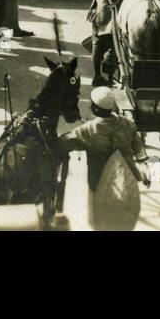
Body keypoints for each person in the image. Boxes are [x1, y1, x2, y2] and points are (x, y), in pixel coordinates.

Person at [58, 85, 145, 231]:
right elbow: (139, 148)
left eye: (92, 104)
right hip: (126, 181)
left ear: (96, 109)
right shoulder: (128, 124)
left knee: (98, 223)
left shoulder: (88, 130)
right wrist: (149, 173)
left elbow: (64, 143)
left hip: (99, 185)